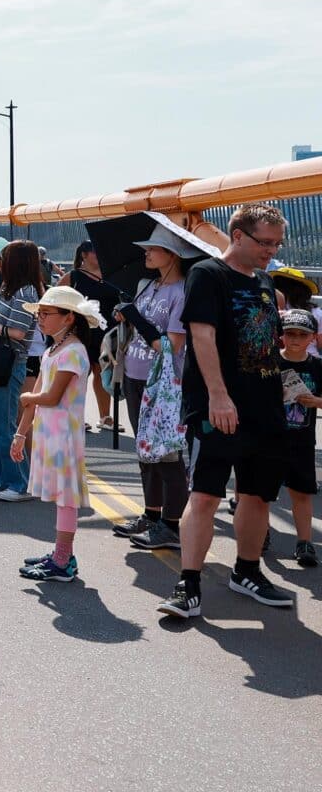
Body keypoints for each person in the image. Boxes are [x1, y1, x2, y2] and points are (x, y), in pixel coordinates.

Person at [158, 204, 293, 620]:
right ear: (237, 236)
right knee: (204, 496)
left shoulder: (267, 283)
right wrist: (218, 396)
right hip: (219, 408)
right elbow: (202, 335)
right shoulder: (208, 275)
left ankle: (247, 571)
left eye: (276, 244)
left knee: (257, 495)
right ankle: (189, 584)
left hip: (266, 407)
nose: (270, 251)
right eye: (264, 242)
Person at [13, 287, 104, 582]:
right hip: (50, 434)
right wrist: (21, 434)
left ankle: (62, 560)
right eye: (40, 313)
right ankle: (62, 555)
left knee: (66, 499)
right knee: (60, 497)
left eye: (46, 313)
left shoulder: (74, 352)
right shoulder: (53, 350)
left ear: (68, 318)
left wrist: (27, 399)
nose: (40, 318)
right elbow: (40, 393)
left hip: (64, 435)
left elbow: (48, 397)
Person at [110, 225, 192, 548]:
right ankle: (152, 515)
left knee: (167, 453)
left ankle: (172, 524)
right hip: (135, 373)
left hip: (162, 383)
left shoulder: (182, 292)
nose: (146, 252)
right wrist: (126, 316)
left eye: (153, 248)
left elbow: (170, 347)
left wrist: (138, 320)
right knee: (146, 451)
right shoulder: (148, 285)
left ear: (172, 255)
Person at [0, 239, 40, 501]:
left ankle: (19, 482)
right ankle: (1, 479)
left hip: (10, 359)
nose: (0, 263)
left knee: (6, 424)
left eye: (5, 258)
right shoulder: (8, 289)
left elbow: (19, 333)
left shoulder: (27, 293)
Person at [277, 309, 322, 567]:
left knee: (302, 493)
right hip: (270, 439)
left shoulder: (316, 367)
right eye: (289, 333)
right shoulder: (271, 363)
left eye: (301, 334)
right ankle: (260, 536)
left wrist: (316, 401)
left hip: (302, 441)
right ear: (281, 336)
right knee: (262, 494)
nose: (294, 339)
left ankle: (304, 542)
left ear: (312, 338)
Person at [66, 240, 119, 430]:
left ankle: (106, 418)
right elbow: (57, 299)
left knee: (102, 372)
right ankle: (76, 417)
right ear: (84, 255)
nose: (99, 254)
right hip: (82, 332)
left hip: (108, 333)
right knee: (79, 374)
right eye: (95, 251)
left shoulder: (112, 276)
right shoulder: (73, 277)